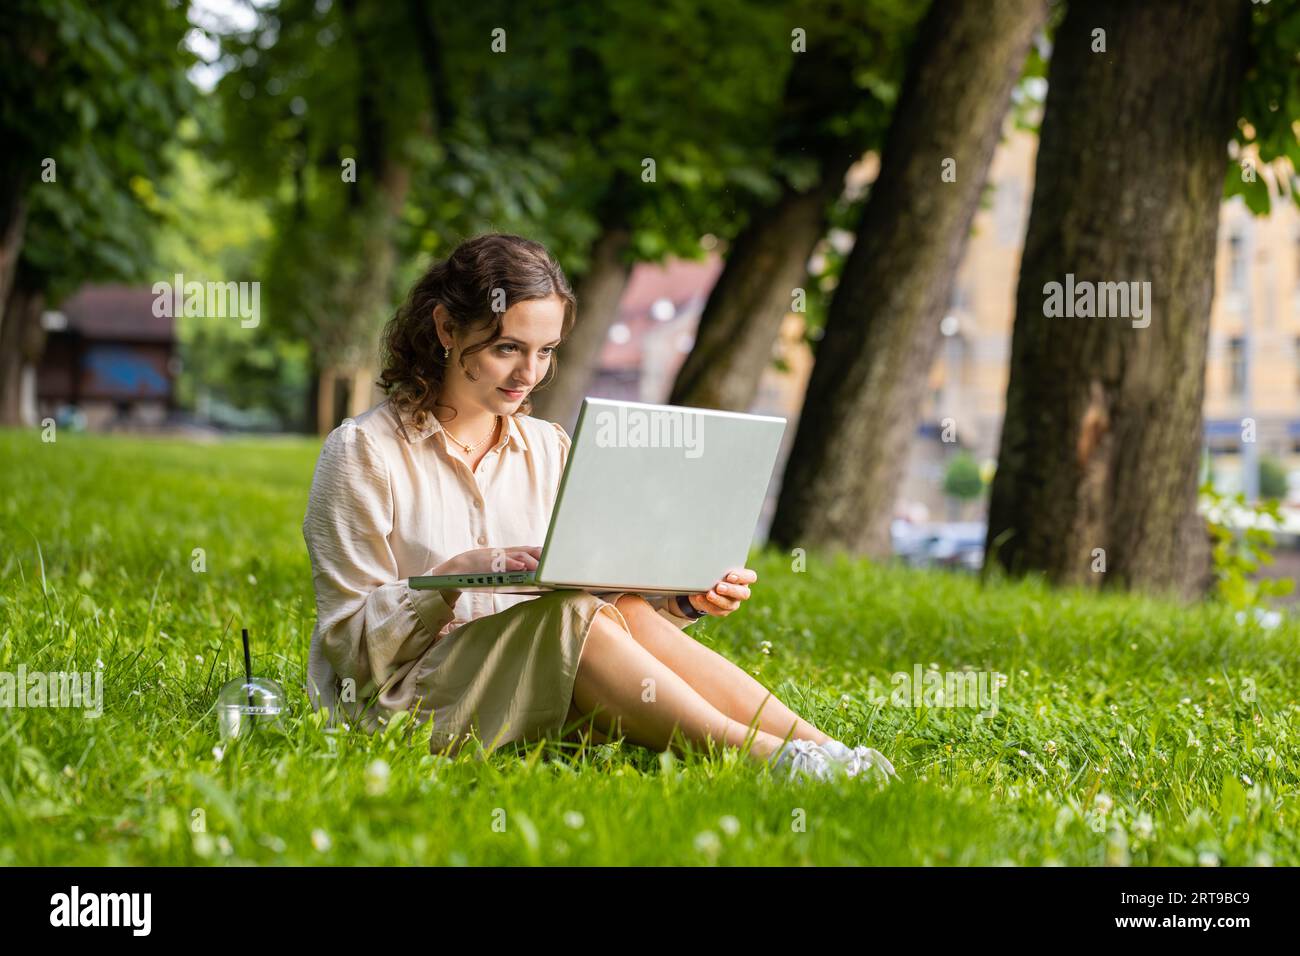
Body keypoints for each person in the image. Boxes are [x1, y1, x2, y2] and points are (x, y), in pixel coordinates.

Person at [302, 232, 896, 782]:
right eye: (508, 348)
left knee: (626, 610)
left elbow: (607, 626)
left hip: (537, 687)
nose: (528, 374)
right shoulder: (364, 453)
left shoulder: (547, 447)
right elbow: (351, 653)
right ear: (446, 328)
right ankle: (768, 759)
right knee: (567, 616)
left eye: (545, 351)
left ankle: (827, 751)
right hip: (405, 705)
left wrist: (683, 601)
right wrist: (444, 581)